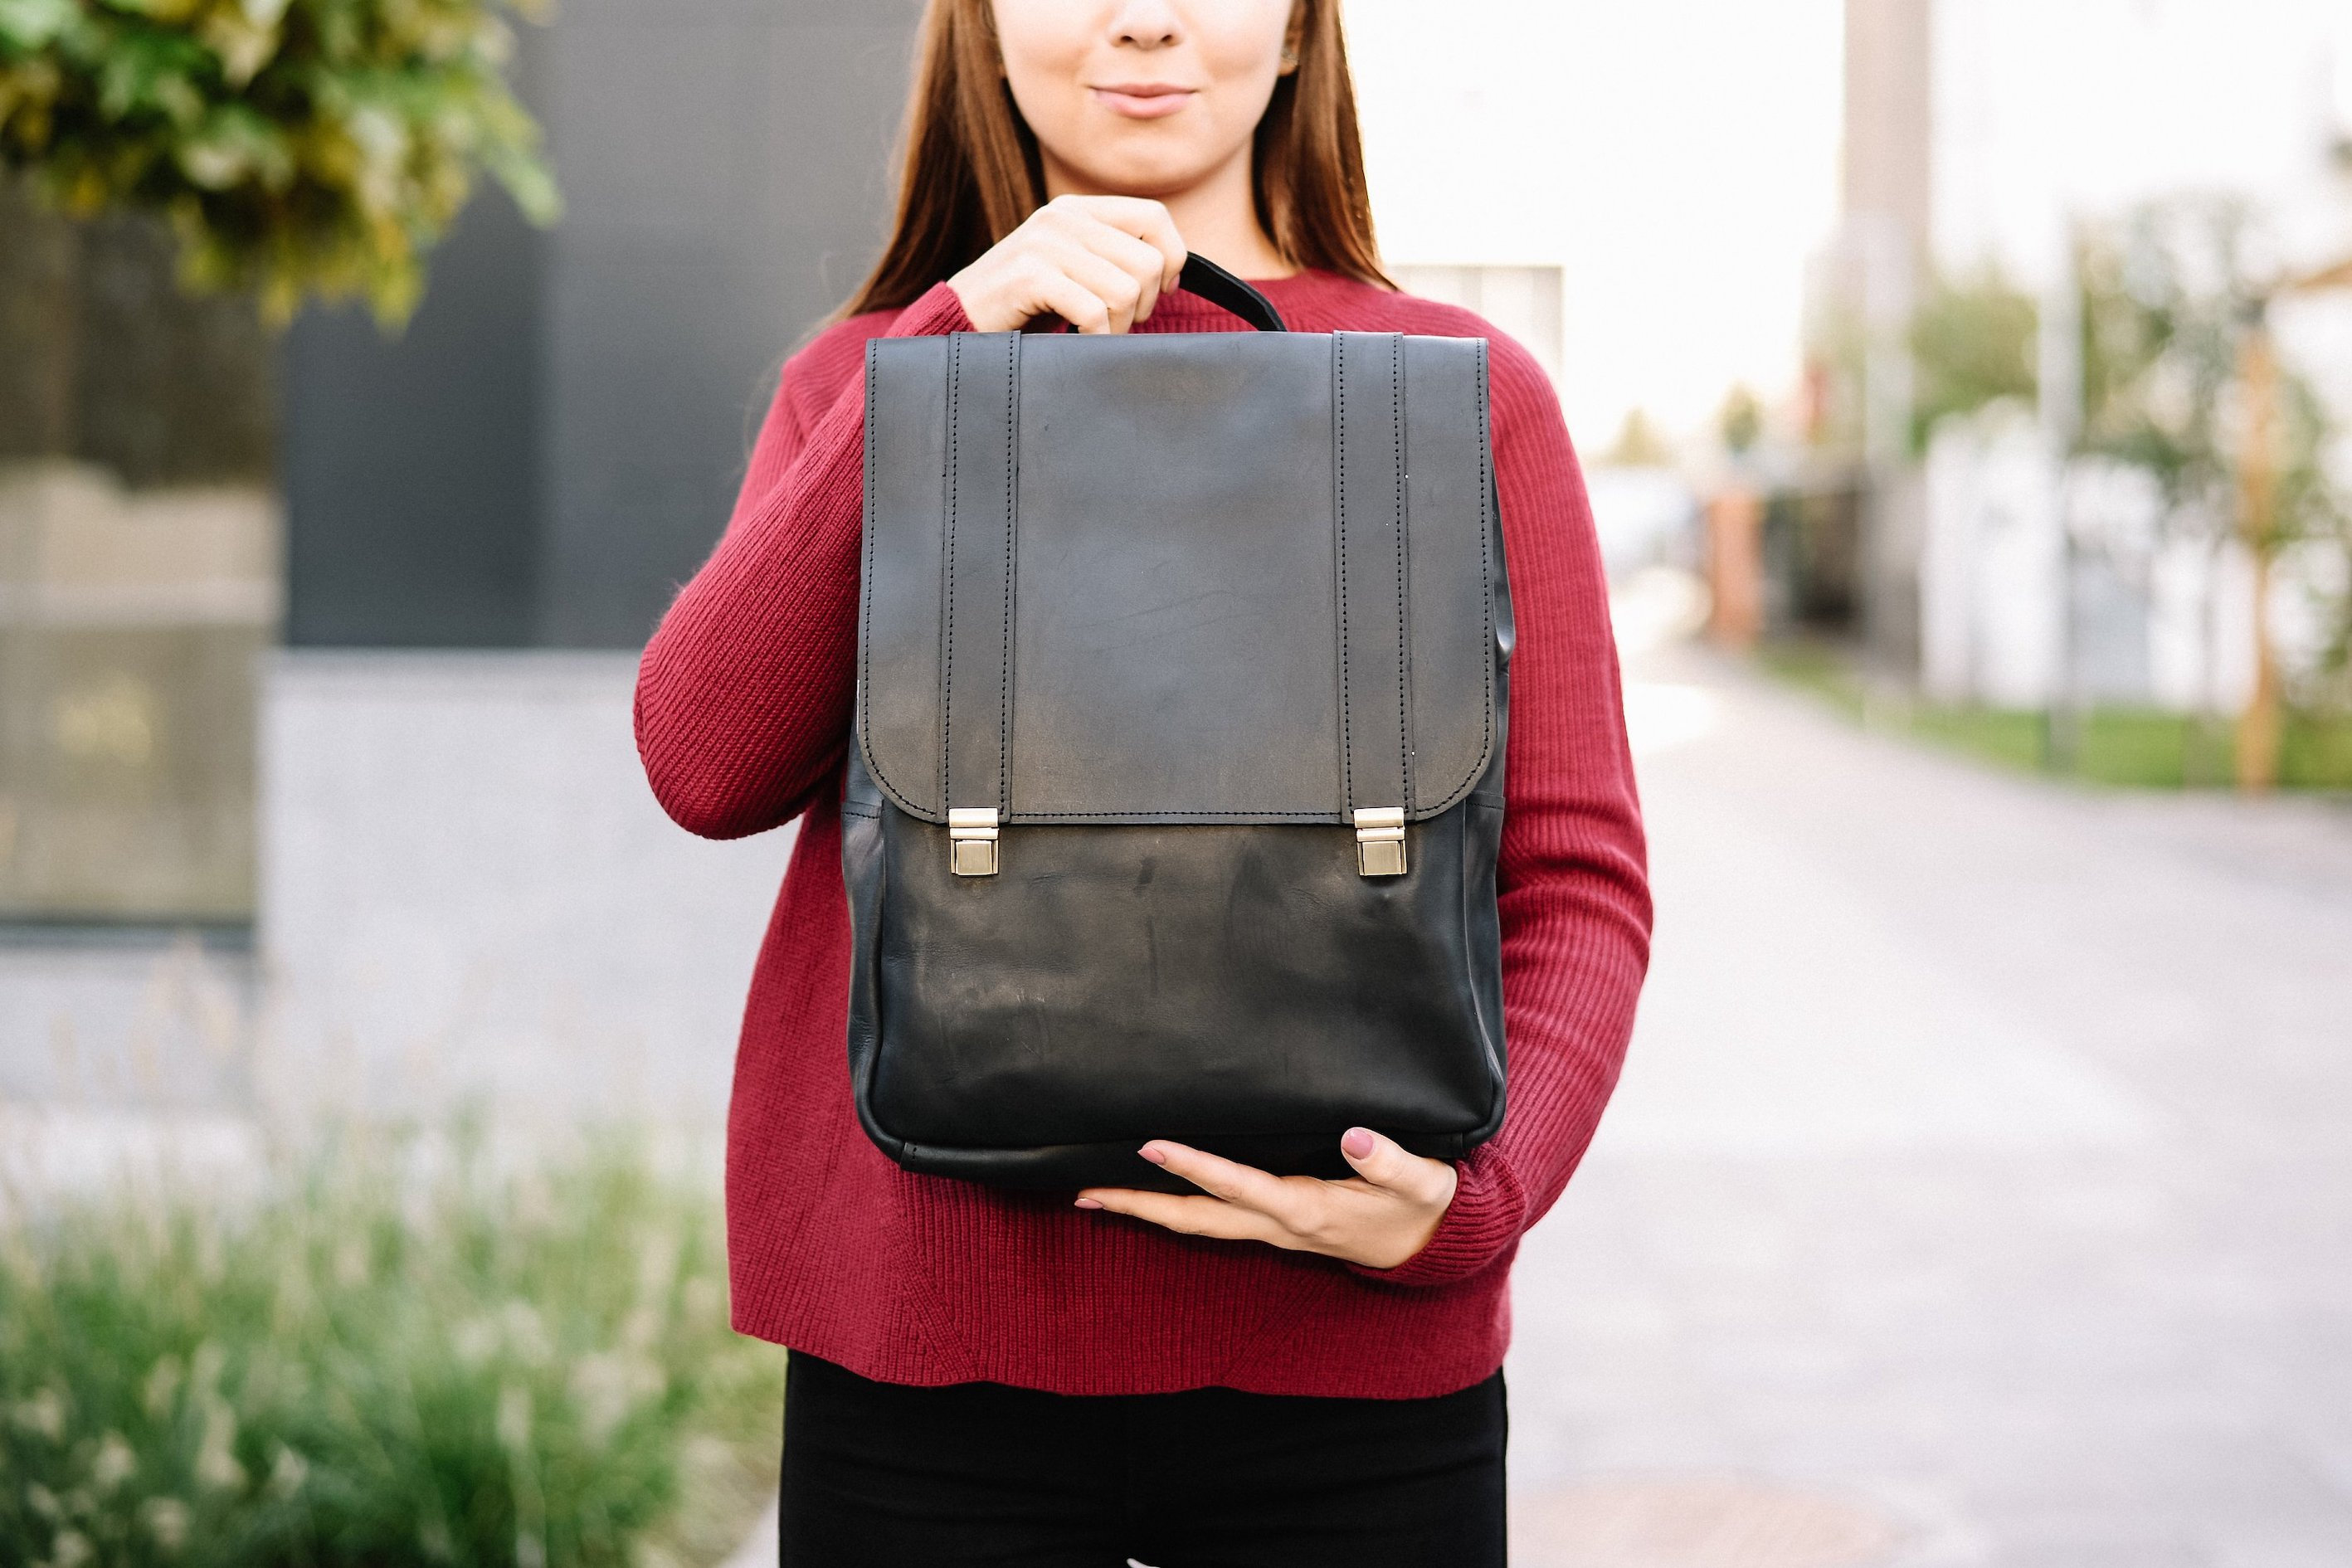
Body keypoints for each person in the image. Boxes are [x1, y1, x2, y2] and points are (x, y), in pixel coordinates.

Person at [634, 2, 1651, 1561]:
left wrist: (1477, 1200)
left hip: (1356, 1387)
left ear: (1304, 31)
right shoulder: (871, 378)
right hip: (923, 1365)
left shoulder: (1461, 392)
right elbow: (703, 763)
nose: (1147, 16)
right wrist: (945, 349)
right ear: (977, 25)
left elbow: (1575, 871)